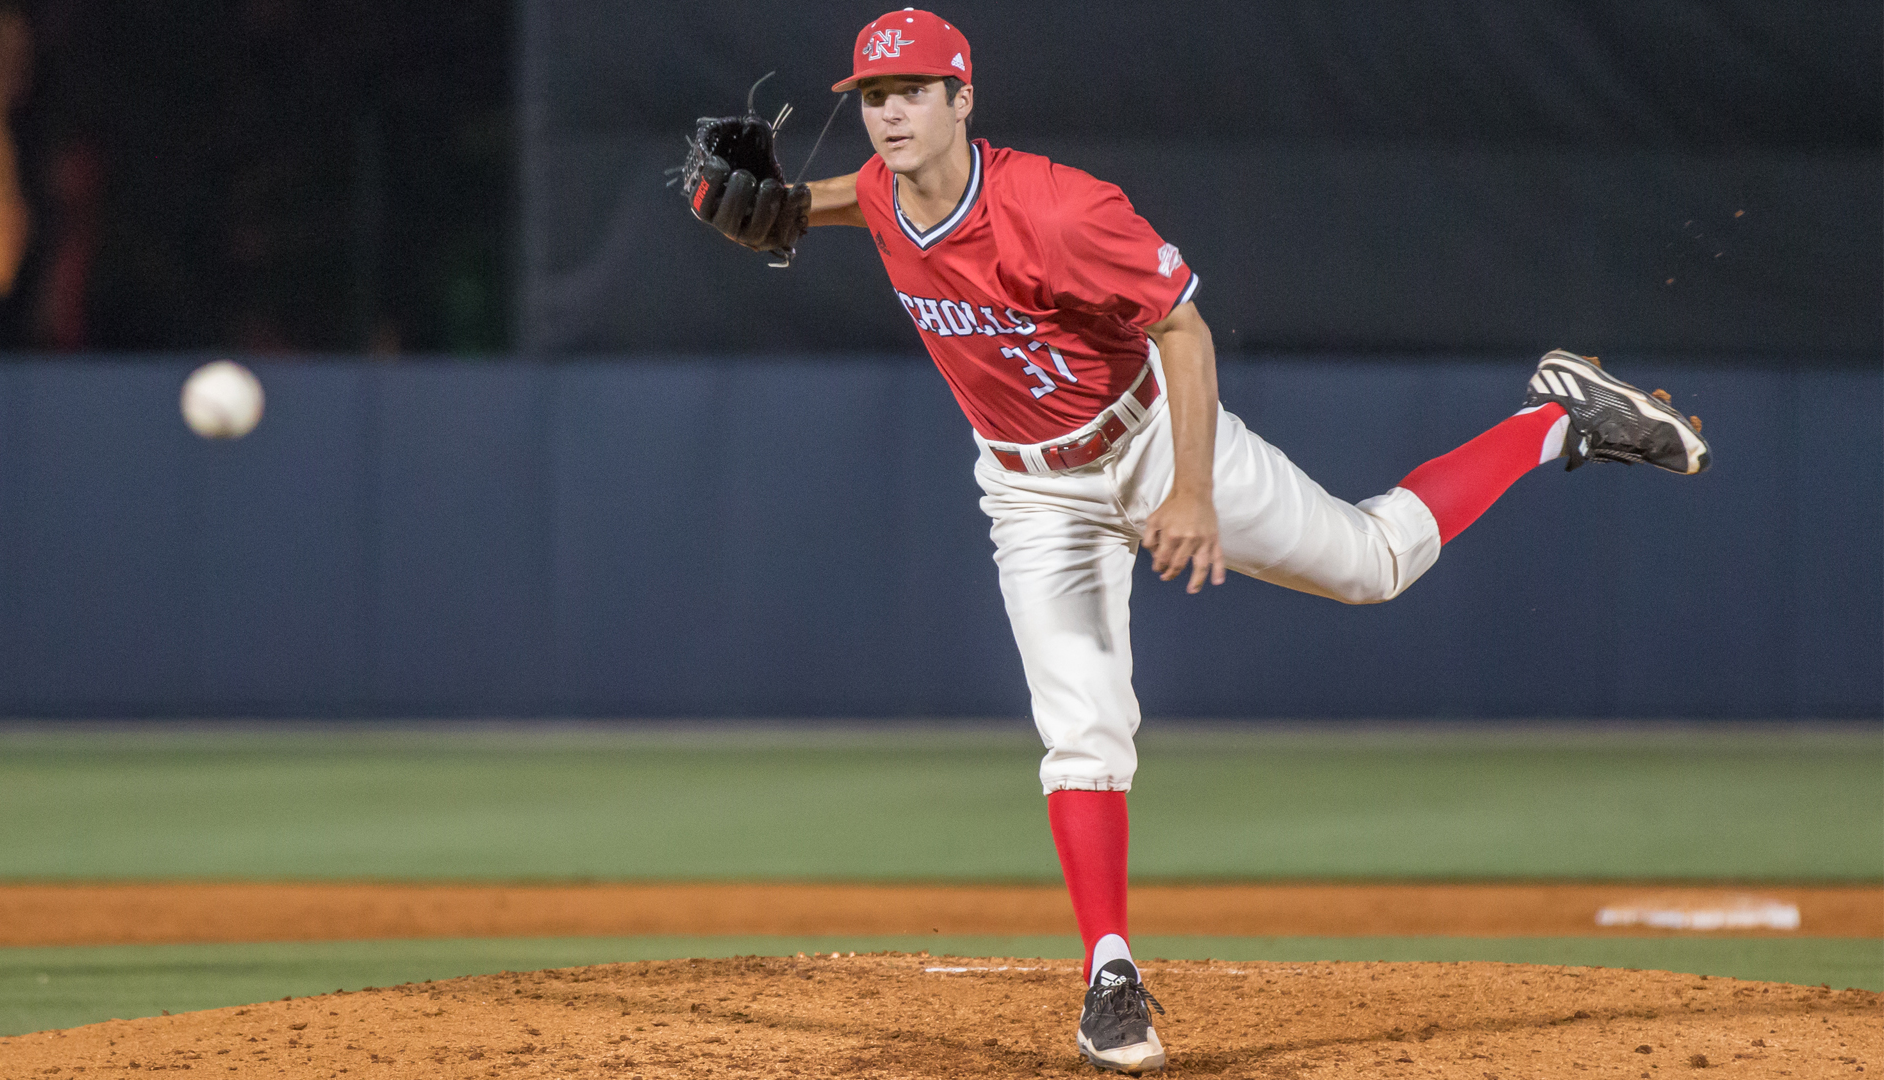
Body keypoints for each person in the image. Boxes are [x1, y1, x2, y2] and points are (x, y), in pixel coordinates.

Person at [689, 10, 1710, 1074]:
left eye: (911, 90)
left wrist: (1189, 492)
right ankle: (1111, 980)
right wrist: (788, 209)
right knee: (1083, 727)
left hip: (1152, 441)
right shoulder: (891, 194)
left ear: (963, 99)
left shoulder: (1061, 210)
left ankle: (1552, 421)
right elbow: (867, 203)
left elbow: (1183, 328)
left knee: (1373, 566)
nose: (890, 111)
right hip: (1034, 496)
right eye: (872, 95)